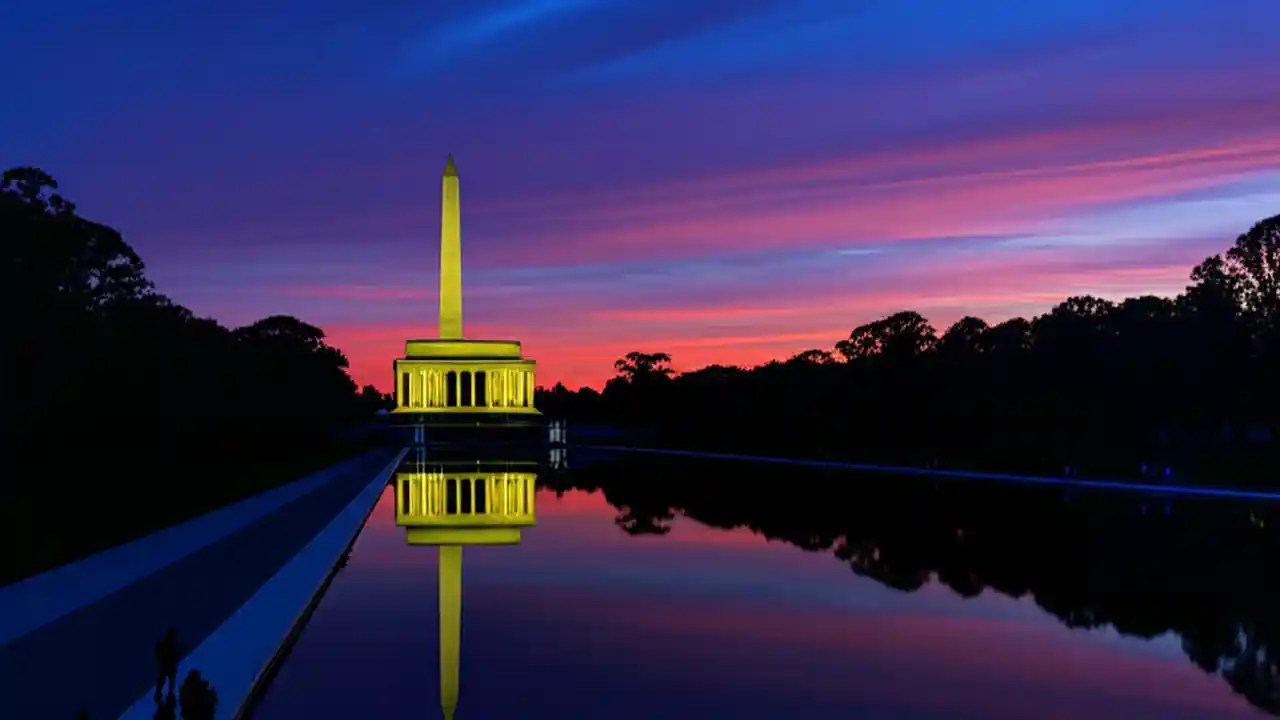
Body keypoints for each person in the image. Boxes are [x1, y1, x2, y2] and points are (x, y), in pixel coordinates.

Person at [154, 628, 181, 700]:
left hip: (166, 664)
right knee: (169, 680)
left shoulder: (165, 642)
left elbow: (158, 649)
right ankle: (167, 693)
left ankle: (160, 693)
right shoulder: (173, 643)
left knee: (165, 679)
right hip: (169, 664)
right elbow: (178, 653)